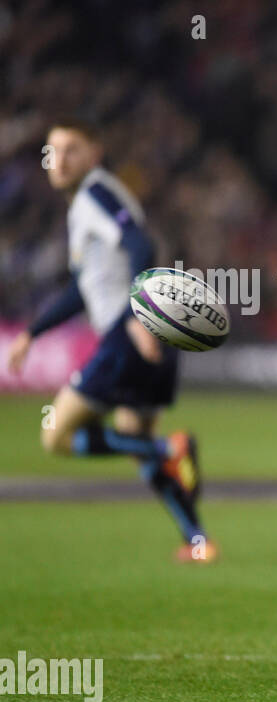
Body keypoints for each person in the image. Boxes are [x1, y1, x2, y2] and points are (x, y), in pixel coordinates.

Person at [5, 119, 212, 562]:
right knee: (133, 442)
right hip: (154, 335)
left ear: (95, 153)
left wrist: (138, 315)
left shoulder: (94, 195)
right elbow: (85, 288)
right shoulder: (93, 201)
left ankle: (167, 448)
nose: (58, 161)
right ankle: (198, 540)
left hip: (129, 333)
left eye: (71, 149)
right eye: (51, 152)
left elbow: (141, 247)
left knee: (55, 434)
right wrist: (33, 332)